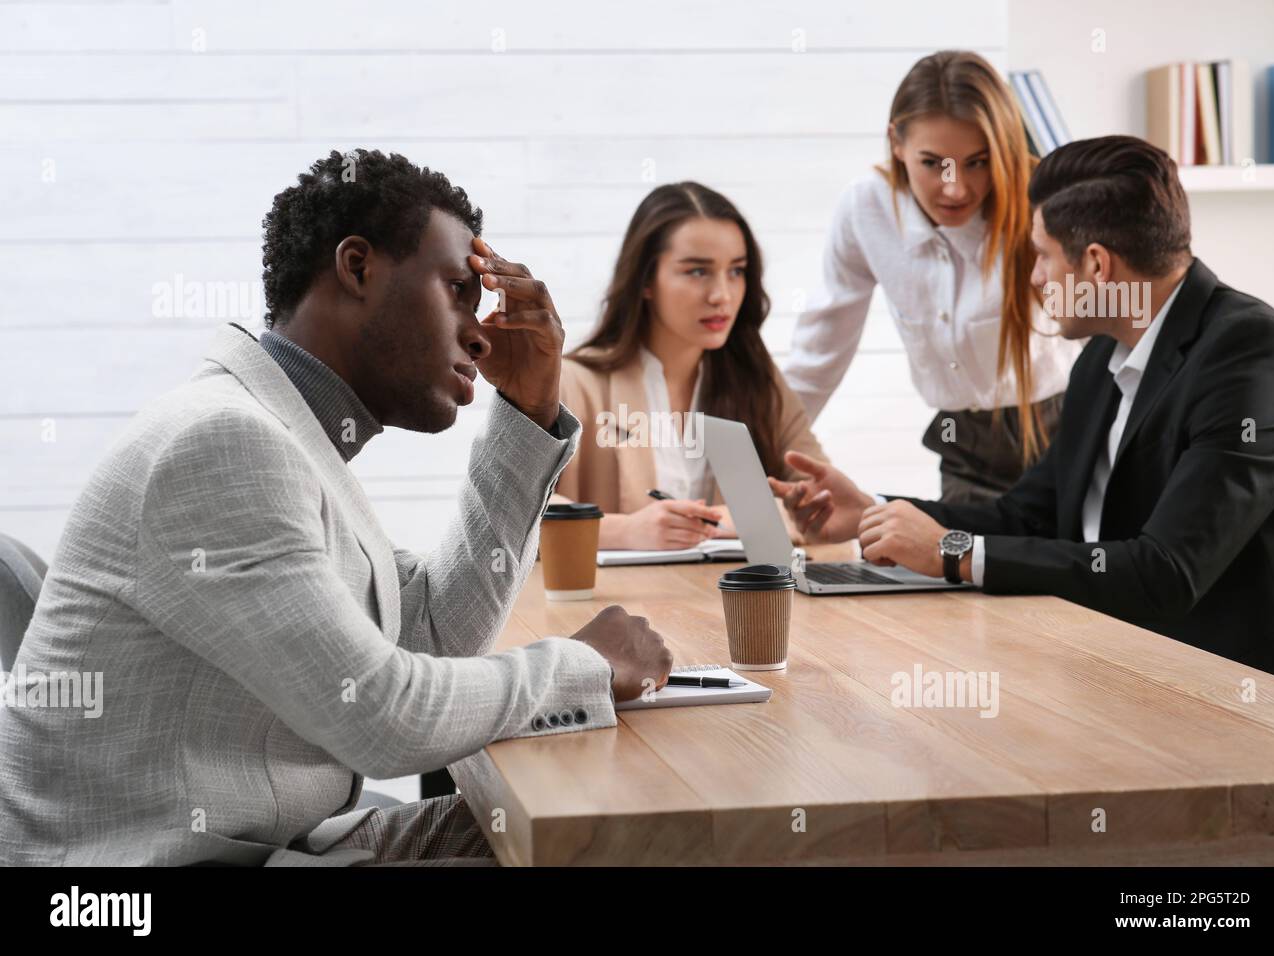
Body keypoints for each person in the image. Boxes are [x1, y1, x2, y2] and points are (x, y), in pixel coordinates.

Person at [0, 149, 673, 866]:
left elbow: (433, 634)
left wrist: (529, 408)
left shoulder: (285, 437)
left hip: (271, 843)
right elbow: (381, 716)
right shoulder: (223, 443)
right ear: (357, 268)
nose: (480, 335)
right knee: (609, 844)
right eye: (455, 291)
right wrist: (583, 665)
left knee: (619, 829)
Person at [770, 136, 1274, 680]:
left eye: (1042, 255)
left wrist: (952, 551)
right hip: (1108, 658)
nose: (1034, 279)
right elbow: (1025, 516)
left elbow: (1166, 573)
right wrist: (871, 510)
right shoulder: (1102, 356)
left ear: (1096, 264)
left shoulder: (1252, 357)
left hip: (1233, 685)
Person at [783, 50, 1080, 504]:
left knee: (1058, 569)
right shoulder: (867, 209)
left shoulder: (1043, 203)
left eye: (978, 162)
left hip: (1062, 432)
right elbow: (819, 353)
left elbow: (1114, 337)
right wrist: (759, 458)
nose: (955, 187)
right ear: (896, 143)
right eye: (931, 162)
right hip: (962, 444)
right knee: (963, 572)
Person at [555, 182, 829, 551]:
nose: (722, 295)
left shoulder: (755, 380)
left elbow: (822, 501)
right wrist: (626, 531)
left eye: (736, 271)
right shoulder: (573, 383)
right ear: (646, 280)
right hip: (614, 606)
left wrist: (728, 521)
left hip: (733, 604)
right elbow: (516, 511)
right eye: (698, 272)